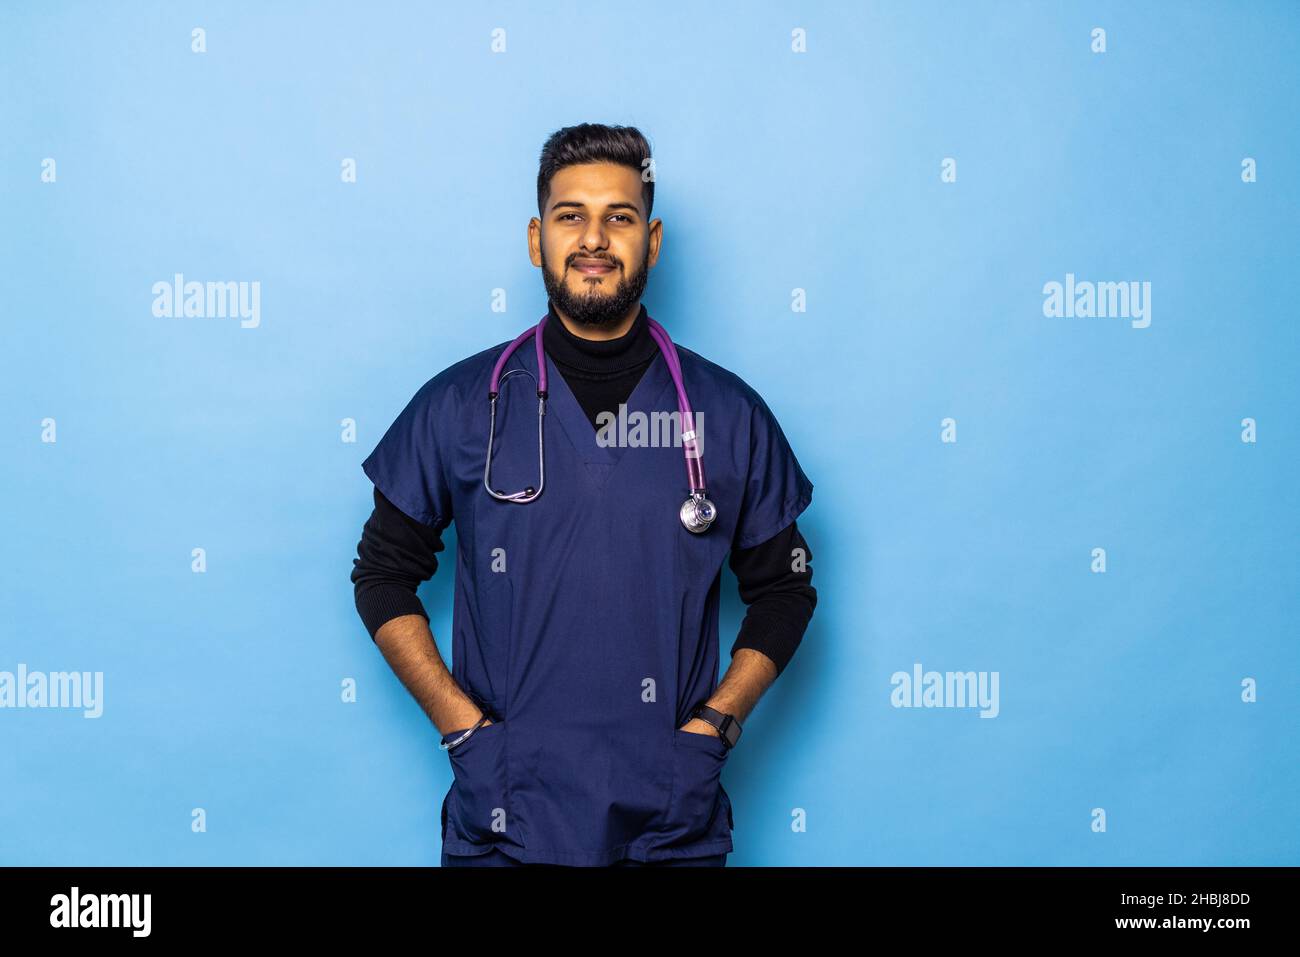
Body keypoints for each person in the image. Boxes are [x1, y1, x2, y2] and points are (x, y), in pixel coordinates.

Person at [350, 123, 817, 867]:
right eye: (571, 215)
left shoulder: (725, 415)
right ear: (537, 238)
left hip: (671, 823)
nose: (593, 238)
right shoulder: (462, 406)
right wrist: (463, 729)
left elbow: (787, 591)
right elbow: (381, 573)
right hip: (507, 817)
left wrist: (714, 728)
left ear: (652, 240)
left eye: (619, 217)